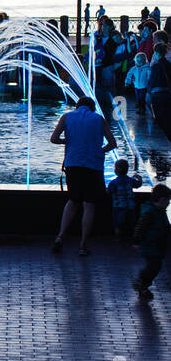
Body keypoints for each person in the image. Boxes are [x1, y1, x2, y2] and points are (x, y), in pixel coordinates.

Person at [50, 96, 118, 256]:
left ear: (77, 107)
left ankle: (60, 237)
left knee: (73, 201)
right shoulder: (99, 119)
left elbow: (53, 139)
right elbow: (113, 143)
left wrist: (68, 142)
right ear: (92, 107)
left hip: (72, 165)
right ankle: (83, 245)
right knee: (89, 205)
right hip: (93, 166)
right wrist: (99, 151)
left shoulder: (67, 117)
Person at [132, 184, 171, 300]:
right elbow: (141, 227)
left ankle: (143, 285)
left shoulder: (158, 210)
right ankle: (142, 282)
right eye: (168, 201)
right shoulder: (151, 213)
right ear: (162, 200)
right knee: (154, 266)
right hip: (150, 245)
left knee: (155, 266)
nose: (169, 204)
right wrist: (137, 241)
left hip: (156, 245)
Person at [107, 159, 143, 242]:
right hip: (130, 206)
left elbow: (109, 192)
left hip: (118, 207)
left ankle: (118, 238)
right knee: (132, 223)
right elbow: (138, 185)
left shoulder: (114, 182)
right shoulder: (130, 180)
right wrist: (139, 178)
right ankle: (134, 238)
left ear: (116, 170)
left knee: (117, 224)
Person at [147, 43, 171, 141]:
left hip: (157, 95)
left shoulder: (156, 66)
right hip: (168, 94)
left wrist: (148, 92)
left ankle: (162, 139)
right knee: (168, 117)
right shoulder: (169, 65)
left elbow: (152, 81)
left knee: (159, 118)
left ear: (156, 53)